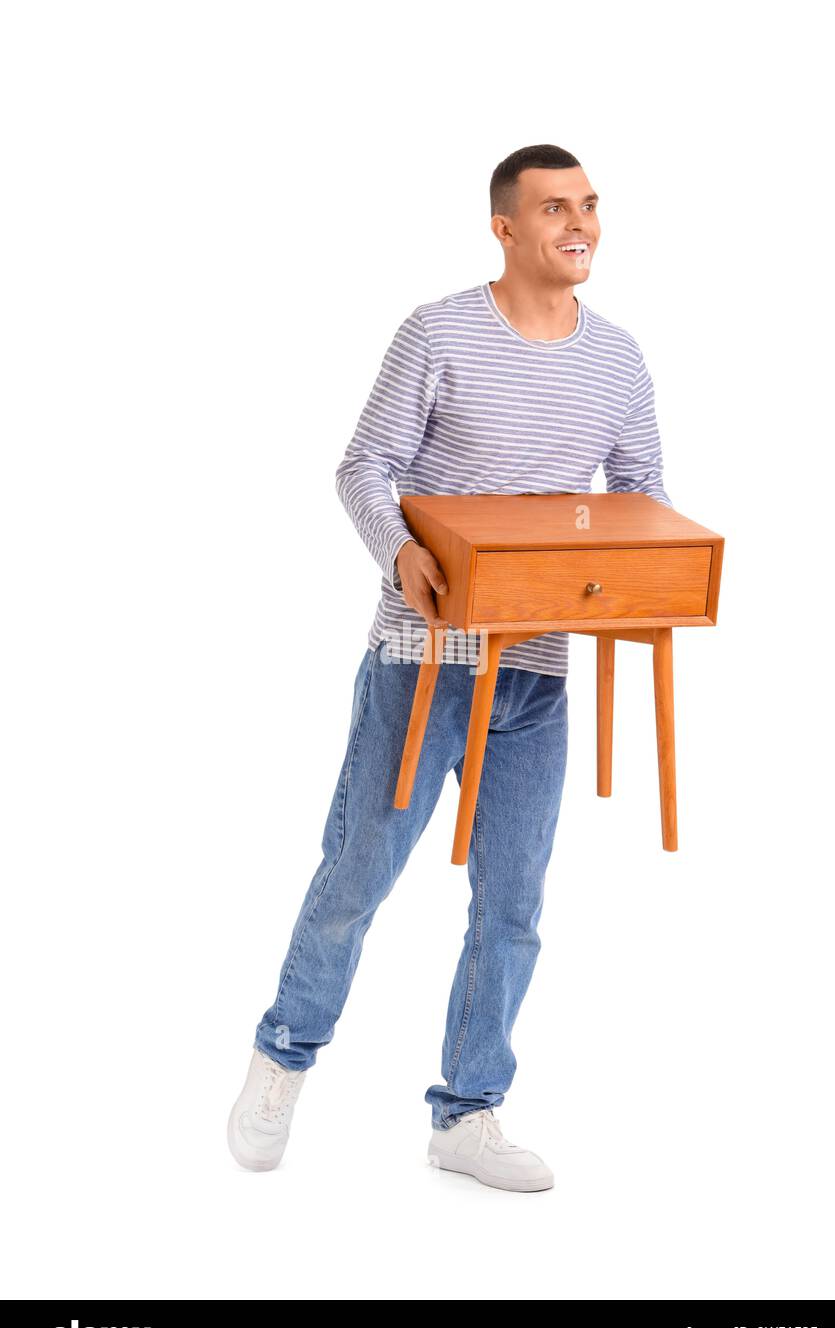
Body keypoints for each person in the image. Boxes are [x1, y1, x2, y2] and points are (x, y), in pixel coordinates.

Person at [227, 143, 673, 1192]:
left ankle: (467, 1111)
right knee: (355, 876)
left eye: (591, 206)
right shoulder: (436, 332)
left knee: (512, 903)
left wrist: (638, 576)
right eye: (556, 206)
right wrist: (402, 551)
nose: (581, 223)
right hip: (422, 659)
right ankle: (280, 1058)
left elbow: (642, 489)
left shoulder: (618, 359)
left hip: (537, 672)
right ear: (504, 227)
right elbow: (363, 466)